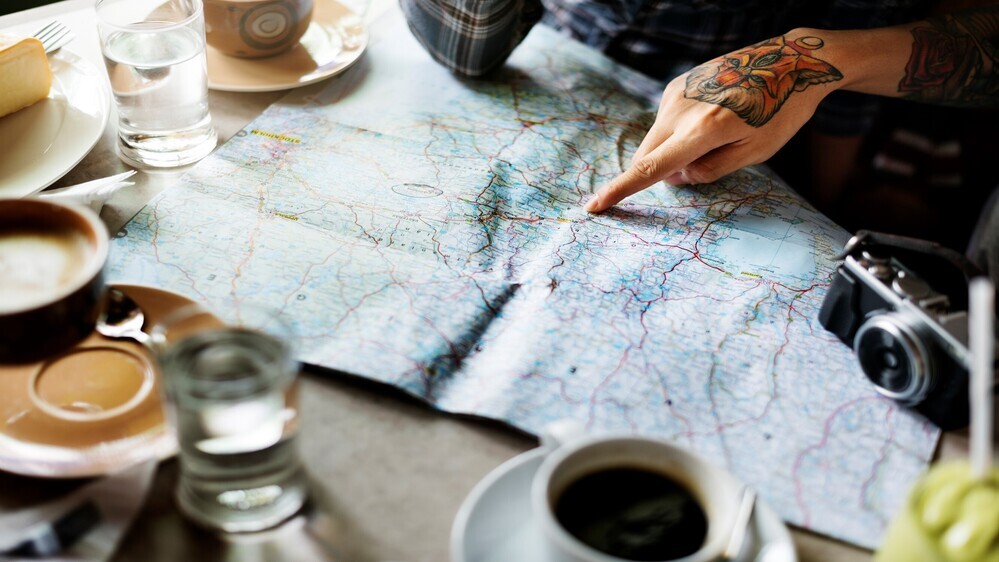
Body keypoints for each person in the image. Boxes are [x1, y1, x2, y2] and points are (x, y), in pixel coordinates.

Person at [398, 0, 999, 213]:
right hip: (547, 61)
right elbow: (466, 54)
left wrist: (808, 60)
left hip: (742, 126)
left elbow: (865, 39)